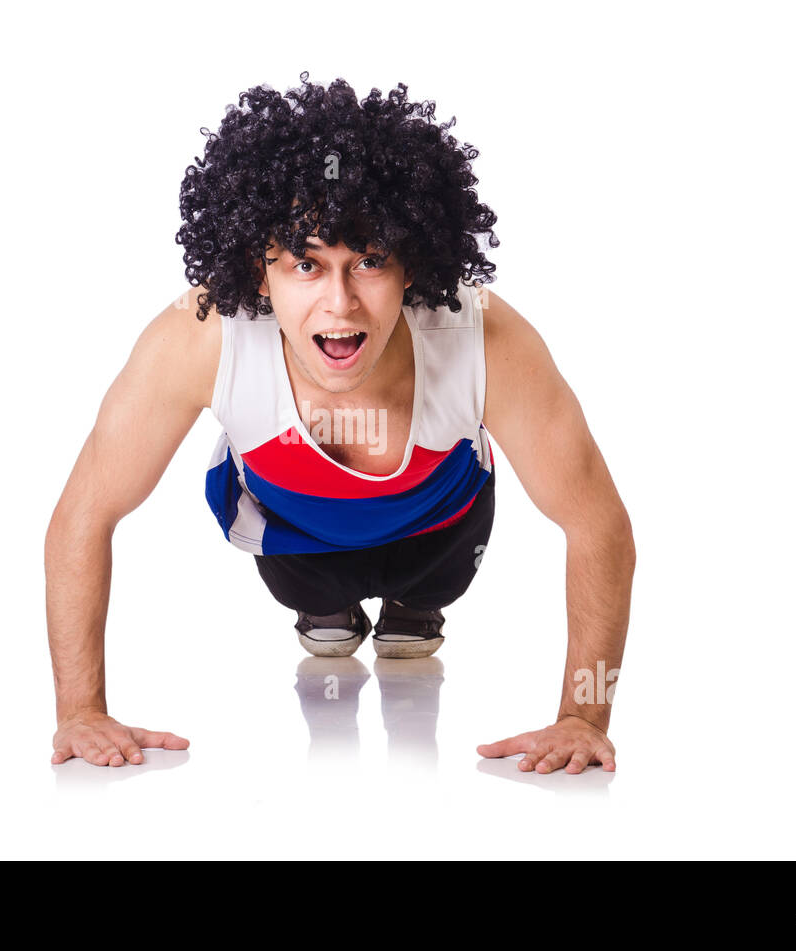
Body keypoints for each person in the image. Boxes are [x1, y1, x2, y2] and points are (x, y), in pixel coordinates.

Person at [45, 73, 635, 775]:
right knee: (315, 600)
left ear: (412, 264)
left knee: (428, 594)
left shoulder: (481, 337)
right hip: (296, 533)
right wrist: (79, 709)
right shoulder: (205, 337)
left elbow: (599, 524)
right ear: (258, 274)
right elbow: (85, 511)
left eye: (370, 261)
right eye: (306, 263)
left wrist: (582, 715)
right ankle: (329, 608)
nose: (340, 302)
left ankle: (416, 604)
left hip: (441, 525)